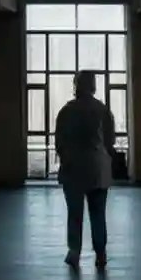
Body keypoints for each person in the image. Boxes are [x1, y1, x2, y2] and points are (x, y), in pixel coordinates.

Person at [54, 71, 116, 268]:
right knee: (98, 214)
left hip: (73, 170)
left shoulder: (66, 112)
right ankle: (100, 253)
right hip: (98, 170)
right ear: (93, 86)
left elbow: (59, 142)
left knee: (75, 213)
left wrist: (67, 158)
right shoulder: (103, 111)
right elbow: (110, 141)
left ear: (76, 85)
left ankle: (74, 252)